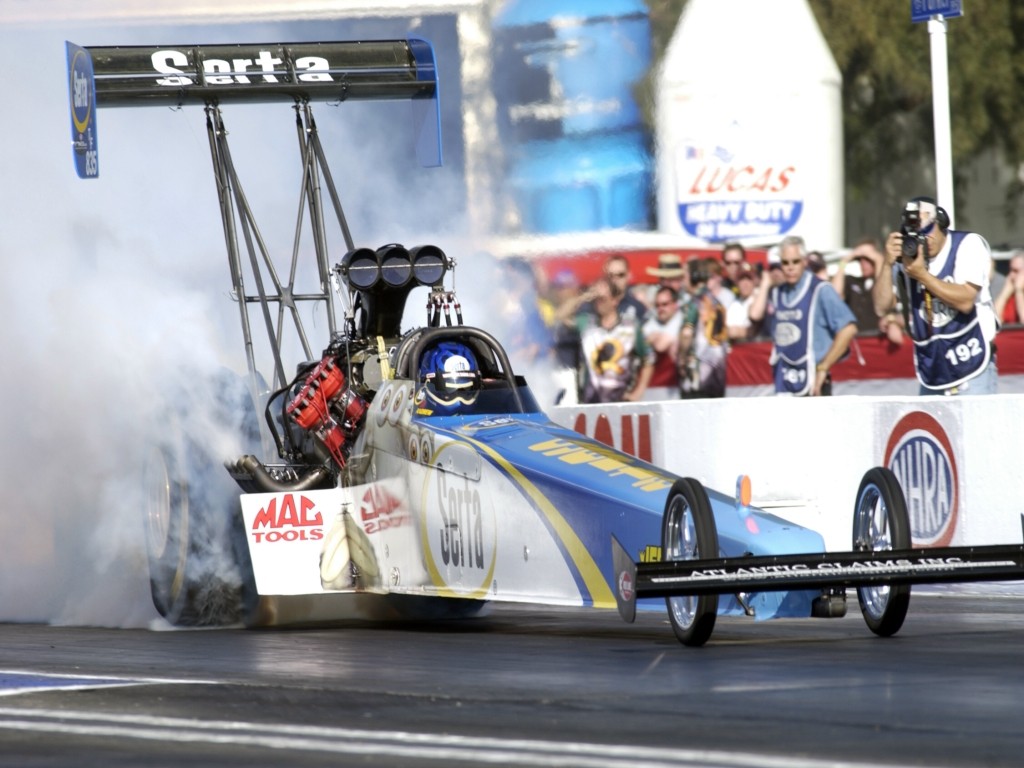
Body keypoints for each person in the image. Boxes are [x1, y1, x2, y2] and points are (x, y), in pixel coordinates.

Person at [872, 196, 998, 396]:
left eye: (927, 231)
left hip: (972, 364)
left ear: (940, 223)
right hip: (933, 370)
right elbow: (881, 306)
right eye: (916, 234)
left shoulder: (967, 244)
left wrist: (922, 275)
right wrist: (887, 264)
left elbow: (966, 301)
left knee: (976, 428)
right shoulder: (907, 260)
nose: (923, 239)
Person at [748, 235, 857, 396]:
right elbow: (755, 316)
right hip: (785, 383)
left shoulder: (820, 290)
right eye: (785, 262)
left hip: (814, 384)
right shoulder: (778, 292)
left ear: (804, 261)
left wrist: (823, 367)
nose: (790, 267)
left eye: (795, 261)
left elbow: (848, 329)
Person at [575, 277, 654, 403]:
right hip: (591, 401)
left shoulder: (631, 326)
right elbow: (560, 317)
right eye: (596, 300)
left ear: (614, 301)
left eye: (602, 299)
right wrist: (585, 296)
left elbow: (648, 359)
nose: (598, 303)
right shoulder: (586, 323)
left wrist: (638, 392)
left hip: (622, 401)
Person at [677, 259, 729, 398]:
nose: (683, 281)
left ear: (693, 277)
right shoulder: (718, 303)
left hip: (697, 375)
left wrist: (682, 358)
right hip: (718, 373)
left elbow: (687, 333)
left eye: (685, 276)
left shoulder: (694, 303)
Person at [832, 239, 883, 334]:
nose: (863, 263)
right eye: (860, 259)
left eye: (868, 259)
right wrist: (845, 260)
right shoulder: (852, 281)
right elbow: (835, 295)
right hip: (855, 340)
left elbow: (883, 292)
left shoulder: (886, 282)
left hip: (877, 340)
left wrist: (878, 259)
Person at [417, 341, 482, 415]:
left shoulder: (487, 409)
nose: (459, 401)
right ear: (427, 384)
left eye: (465, 391)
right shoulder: (417, 416)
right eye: (449, 392)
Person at [641, 285, 683, 400]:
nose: (661, 309)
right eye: (658, 305)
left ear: (675, 304)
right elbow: (641, 342)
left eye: (665, 304)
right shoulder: (653, 321)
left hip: (675, 388)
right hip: (653, 386)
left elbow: (660, 346)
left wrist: (654, 337)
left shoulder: (680, 319)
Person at [726, 262, 759, 341]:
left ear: (754, 281)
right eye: (742, 280)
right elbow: (730, 332)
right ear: (737, 283)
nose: (745, 284)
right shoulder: (734, 305)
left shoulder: (760, 299)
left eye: (748, 279)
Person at [993, 251, 1024, 326]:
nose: (1011, 275)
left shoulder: (1017, 291)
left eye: (1016, 271)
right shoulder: (1010, 293)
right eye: (1010, 270)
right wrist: (1004, 294)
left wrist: (1019, 291)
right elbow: (994, 322)